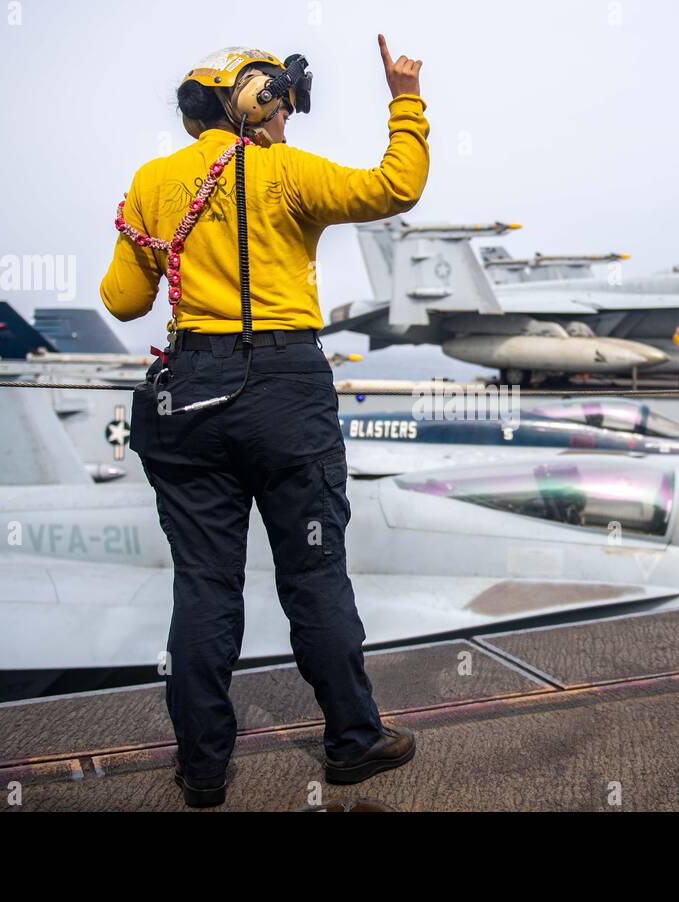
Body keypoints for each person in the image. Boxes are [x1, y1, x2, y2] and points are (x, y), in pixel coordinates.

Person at [100, 36, 428, 807]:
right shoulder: (283, 170)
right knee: (313, 573)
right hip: (284, 392)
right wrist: (405, 98)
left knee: (206, 583)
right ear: (255, 102)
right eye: (280, 104)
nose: (286, 118)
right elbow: (396, 186)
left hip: (190, 395)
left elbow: (122, 300)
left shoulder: (154, 181)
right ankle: (352, 742)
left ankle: (205, 768)